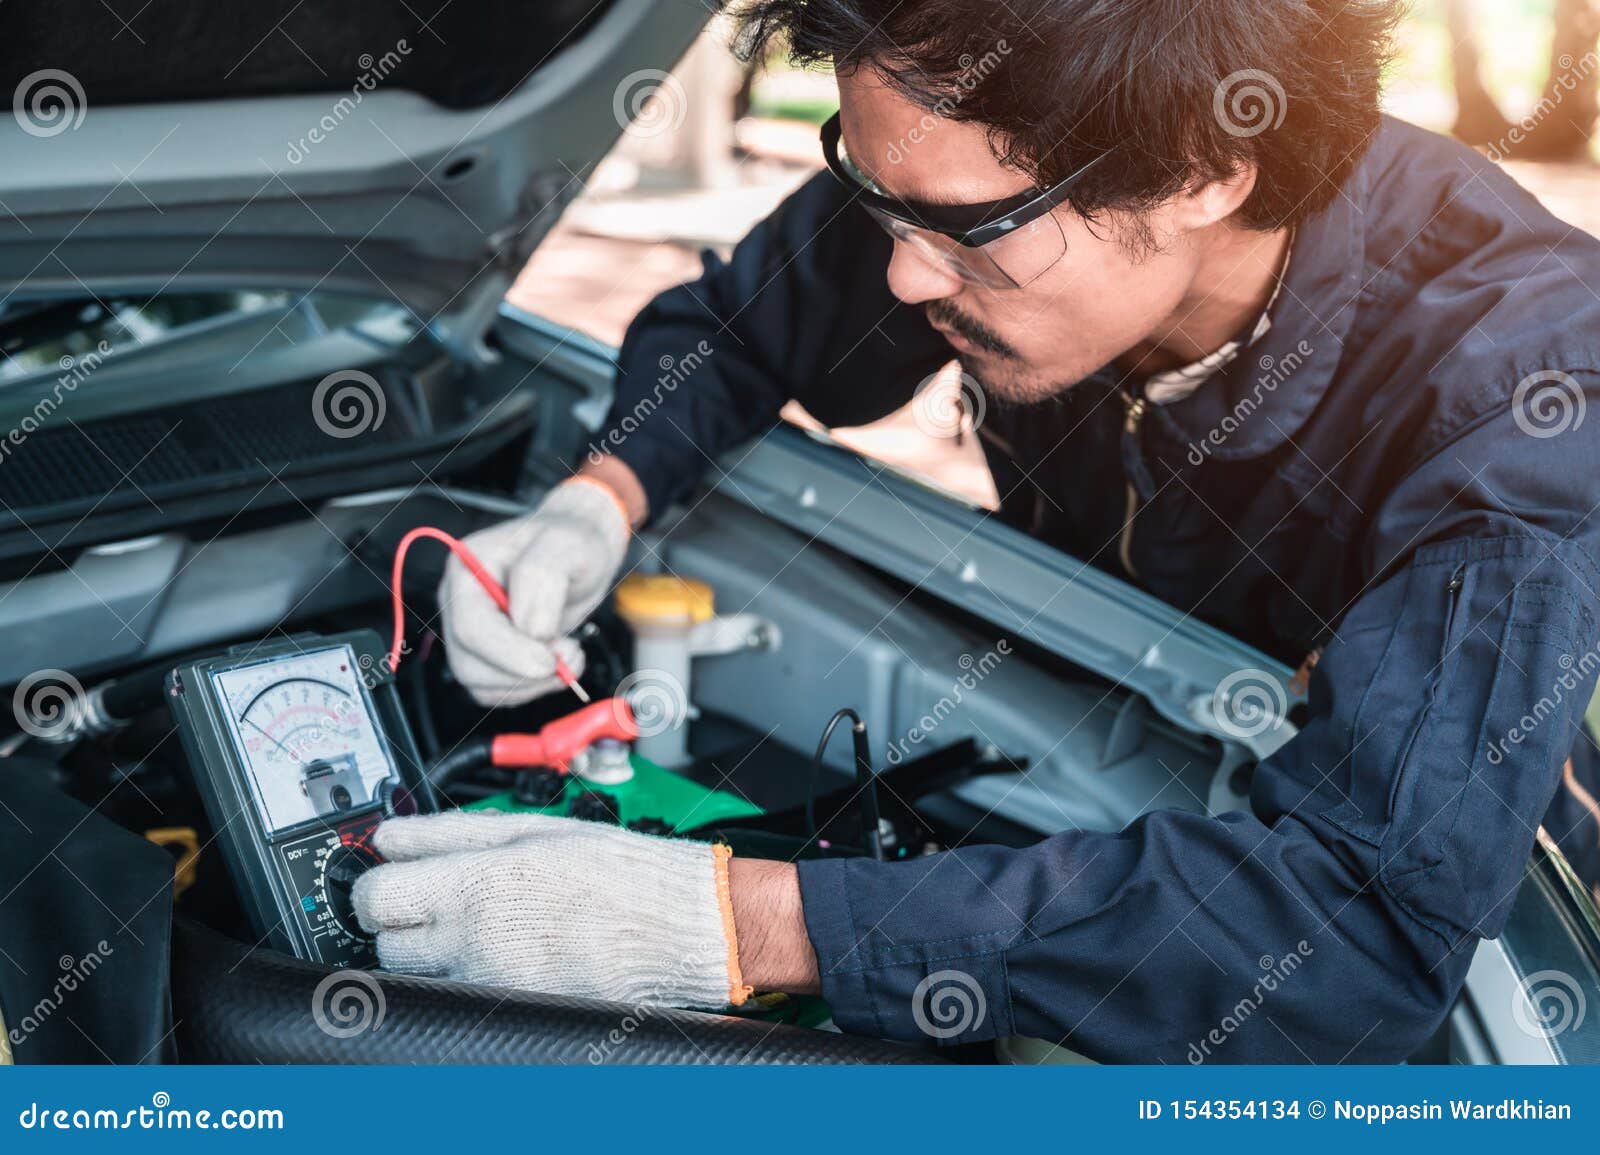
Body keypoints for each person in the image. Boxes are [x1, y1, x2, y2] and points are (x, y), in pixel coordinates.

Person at [351, 0, 1600, 1062]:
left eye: (956, 229)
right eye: (871, 191)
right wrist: (595, 504)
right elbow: (733, 333)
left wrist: (741, 926)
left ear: (1209, 170)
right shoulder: (969, 182)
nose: (899, 275)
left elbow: (1360, 931)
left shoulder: (1526, 397)